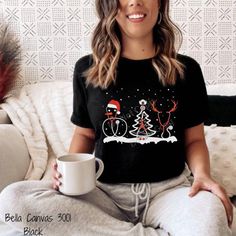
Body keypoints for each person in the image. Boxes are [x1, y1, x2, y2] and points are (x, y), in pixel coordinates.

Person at [0, 0, 233, 235]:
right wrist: (65, 171)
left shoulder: (186, 70)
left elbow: (194, 139)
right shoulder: (86, 69)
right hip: (103, 195)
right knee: (13, 200)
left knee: (212, 215)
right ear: (108, 6)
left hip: (169, 193)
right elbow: (84, 133)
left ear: (160, 4)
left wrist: (202, 175)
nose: (135, 2)